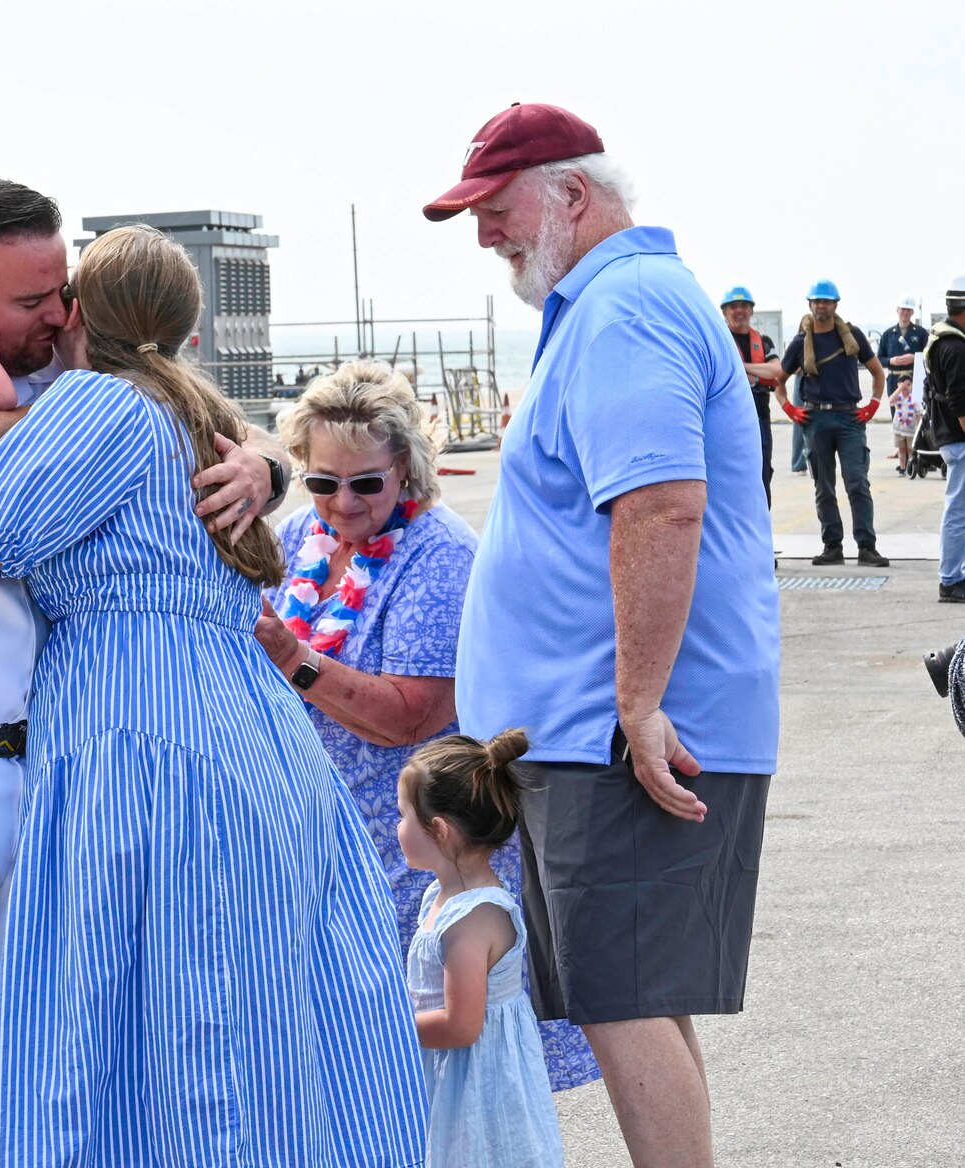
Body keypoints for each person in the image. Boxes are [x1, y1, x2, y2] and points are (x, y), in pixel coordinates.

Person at [0, 223, 427, 1165]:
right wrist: (261, 459)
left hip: (139, 734)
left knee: (151, 1027)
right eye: (30, 301)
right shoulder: (154, 403)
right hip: (238, 736)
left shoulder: (96, 406)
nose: (50, 319)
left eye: (62, 300)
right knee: (235, 1017)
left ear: (87, 310)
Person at [424, 102, 780, 1168]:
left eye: (492, 208)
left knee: (620, 997)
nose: (482, 233)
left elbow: (661, 507)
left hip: (610, 732)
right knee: (634, 995)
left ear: (570, 195)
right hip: (595, 728)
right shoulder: (606, 308)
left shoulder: (622, 309)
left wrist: (634, 704)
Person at [256, 359, 599, 1090]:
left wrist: (295, 658)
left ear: (406, 470)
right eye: (321, 481)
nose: (341, 503)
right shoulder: (299, 540)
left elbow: (411, 714)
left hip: (414, 848)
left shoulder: (438, 556)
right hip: (327, 836)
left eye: (365, 484)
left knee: (425, 1072)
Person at [399, 731, 566, 1168]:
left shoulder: (472, 921)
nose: (398, 829)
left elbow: (461, 1026)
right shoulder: (443, 896)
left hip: (479, 1081)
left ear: (439, 830)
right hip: (455, 1072)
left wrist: (385, 1026)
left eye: (403, 817)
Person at [775, 280, 890, 567]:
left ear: (835, 304)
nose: (821, 306)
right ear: (810, 305)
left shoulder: (852, 336)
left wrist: (874, 404)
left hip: (849, 418)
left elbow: (878, 373)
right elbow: (778, 381)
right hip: (816, 419)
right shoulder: (801, 342)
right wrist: (789, 408)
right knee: (823, 487)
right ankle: (832, 546)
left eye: (826, 301)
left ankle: (866, 547)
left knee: (857, 482)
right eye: (816, 301)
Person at [719, 286, 783, 506]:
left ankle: (762, 529)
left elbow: (776, 371)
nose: (740, 311)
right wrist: (756, 371)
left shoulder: (763, 342)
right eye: (734, 307)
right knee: (729, 477)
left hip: (760, 419)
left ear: (751, 311)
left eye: (744, 306)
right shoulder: (720, 341)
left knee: (763, 473)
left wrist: (742, 367)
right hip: (728, 421)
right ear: (725, 312)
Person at [925, 275, 965, 602]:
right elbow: (960, 401)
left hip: (949, 437)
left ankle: (954, 575)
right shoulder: (956, 348)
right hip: (959, 439)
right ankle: (950, 580)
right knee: (958, 511)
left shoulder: (943, 340)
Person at [878, 295, 930, 410]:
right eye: (903, 309)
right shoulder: (888, 334)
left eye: (908, 310)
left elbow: (929, 356)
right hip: (894, 381)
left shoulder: (921, 333)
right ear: (897, 310)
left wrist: (915, 358)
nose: (905, 312)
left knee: (917, 415)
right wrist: (892, 361)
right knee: (896, 415)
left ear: (912, 312)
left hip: (915, 379)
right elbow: (879, 359)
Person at [890, 373, 918, 475]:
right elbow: (890, 400)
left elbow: (919, 413)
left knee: (911, 449)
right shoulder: (898, 397)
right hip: (899, 428)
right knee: (901, 449)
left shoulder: (914, 398)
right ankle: (902, 468)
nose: (905, 387)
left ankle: (911, 467)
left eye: (908, 384)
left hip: (911, 429)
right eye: (903, 384)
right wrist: (899, 389)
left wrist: (919, 426)